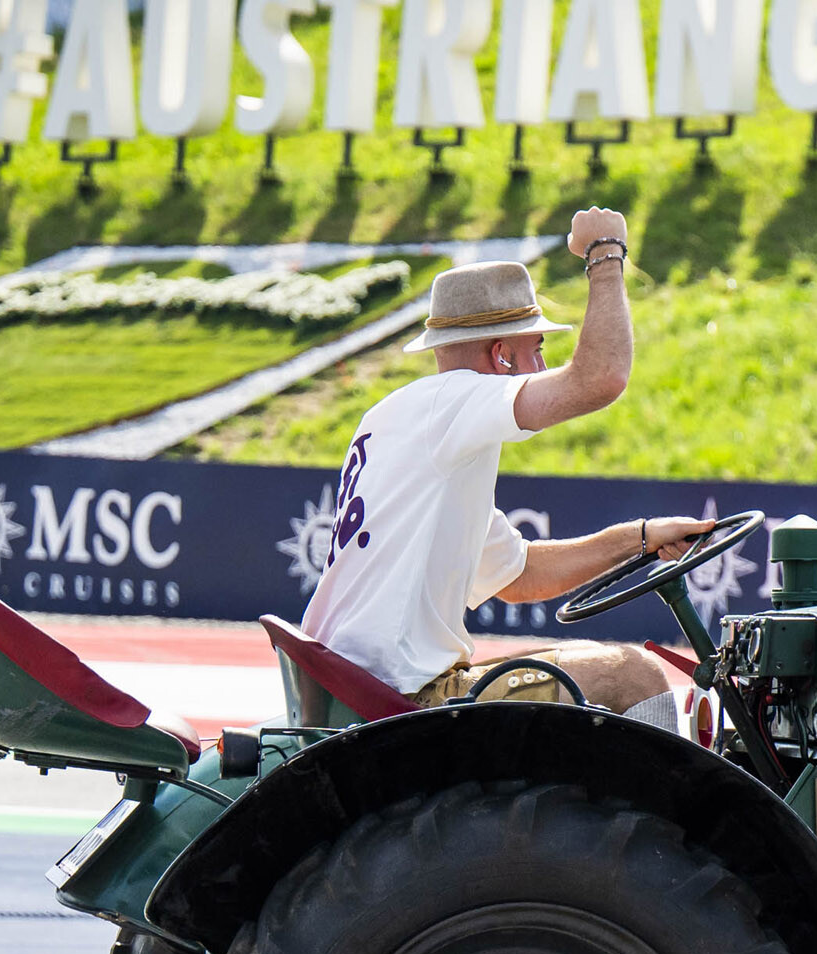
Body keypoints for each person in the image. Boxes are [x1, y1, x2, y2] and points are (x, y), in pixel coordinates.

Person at [299, 208, 714, 715]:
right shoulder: (454, 399)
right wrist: (605, 252)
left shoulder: (401, 420)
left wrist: (642, 537)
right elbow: (601, 378)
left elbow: (519, 577)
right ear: (502, 356)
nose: (542, 366)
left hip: (361, 688)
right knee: (635, 676)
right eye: (537, 348)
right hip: (402, 695)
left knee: (594, 660)